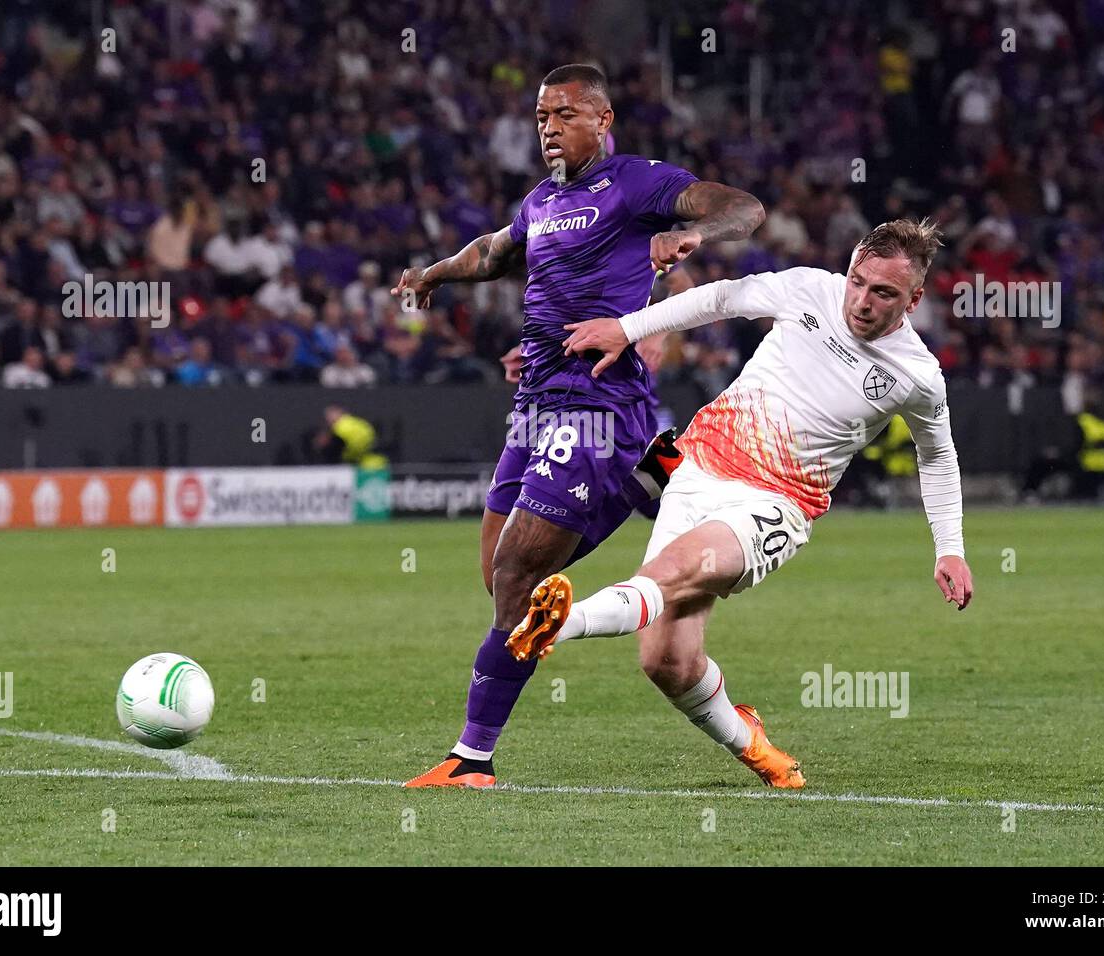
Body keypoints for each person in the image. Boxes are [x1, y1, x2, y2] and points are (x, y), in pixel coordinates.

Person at [392, 64, 766, 788]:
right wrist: (435, 272)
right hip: (535, 402)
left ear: (602, 118)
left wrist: (690, 233)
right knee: (502, 583)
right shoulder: (541, 202)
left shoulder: (635, 182)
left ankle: (473, 759)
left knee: (519, 571)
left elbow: (743, 209)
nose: (549, 128)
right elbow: (496, 253)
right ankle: (654, 477)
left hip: (595, 401)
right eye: (540, 117)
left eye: (563, 114)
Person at [506, 219, 975, 788]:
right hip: (700, 466)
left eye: (884, 293)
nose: (862, 301)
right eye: (858, 281)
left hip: (778, 502)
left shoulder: (918, 375)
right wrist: (628, 329)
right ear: (849, 267)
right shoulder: (808, 289)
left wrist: (949, 549)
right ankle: (749, 741)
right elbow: (722, 298)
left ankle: (557, 624)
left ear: (914, 299)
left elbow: (937, 456)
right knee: (666, 662)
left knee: (681, 569)